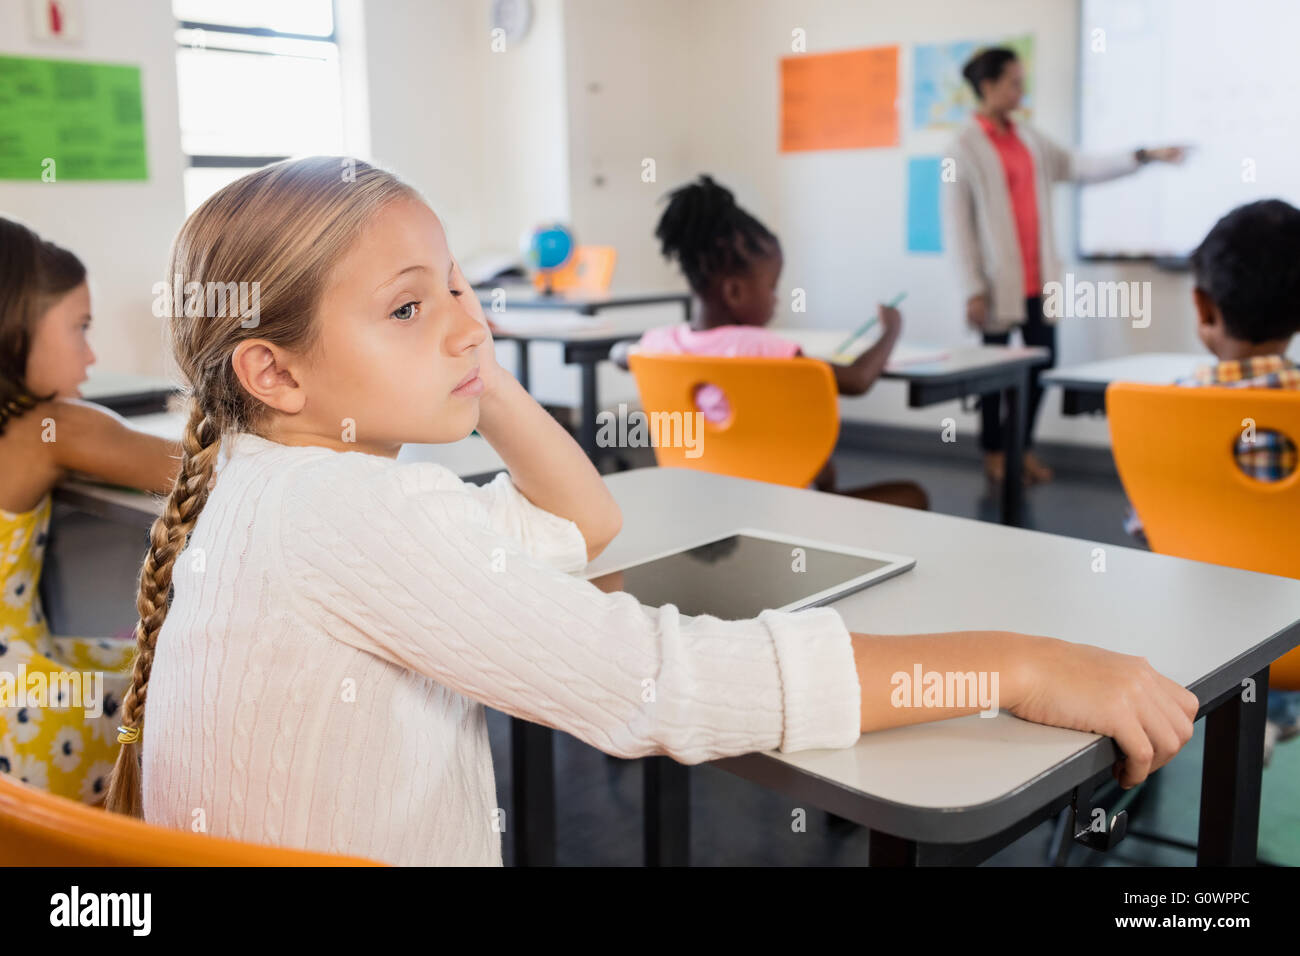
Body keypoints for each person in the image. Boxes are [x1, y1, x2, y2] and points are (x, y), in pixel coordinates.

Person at [105, 157, 1196, 866]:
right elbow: (665, 684)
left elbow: (584, 524)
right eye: (406, 304)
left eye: (456, 286)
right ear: (275, 372)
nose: (463, 321)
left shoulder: (275, 482)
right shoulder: (358, 514)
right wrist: (1012, 662)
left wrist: (463, 357)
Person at [0, 216, 181, 803]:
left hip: (17, 695)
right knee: (188, 688)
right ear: (15, 330)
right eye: (79, 329)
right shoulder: (50, 430)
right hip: (20, 726)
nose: (92, 354)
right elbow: (200, 468)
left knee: (140, 659)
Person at [945, 47, 1185, 485]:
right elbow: (957, 225)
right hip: (997, 285)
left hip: (1041, 279)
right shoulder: (962, 148)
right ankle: (995, 453)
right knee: (995, 376)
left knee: (1041, 367)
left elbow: (1079, 165)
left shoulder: (1030, 139)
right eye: (1014, 82)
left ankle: (1022, 449)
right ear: (988, 86)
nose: (1021, 90)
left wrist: (1143, 155)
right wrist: (970, 288)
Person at [614, 174, 925, 508]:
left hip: (700, 506)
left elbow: (618, 353)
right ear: (734, 291)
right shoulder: (764, 349)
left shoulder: (658, 344)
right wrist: (890, 330)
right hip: (780, 511)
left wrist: (630, 351)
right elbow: (859, 379)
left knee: (822, 470)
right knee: (914, 495)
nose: (777, 299)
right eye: (772, 286)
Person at [1122, 198, 1300, 764]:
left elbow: (1142, 531)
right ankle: (1277, 713)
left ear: (1202, 303)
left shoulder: (1156, 408)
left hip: (1196, 636)